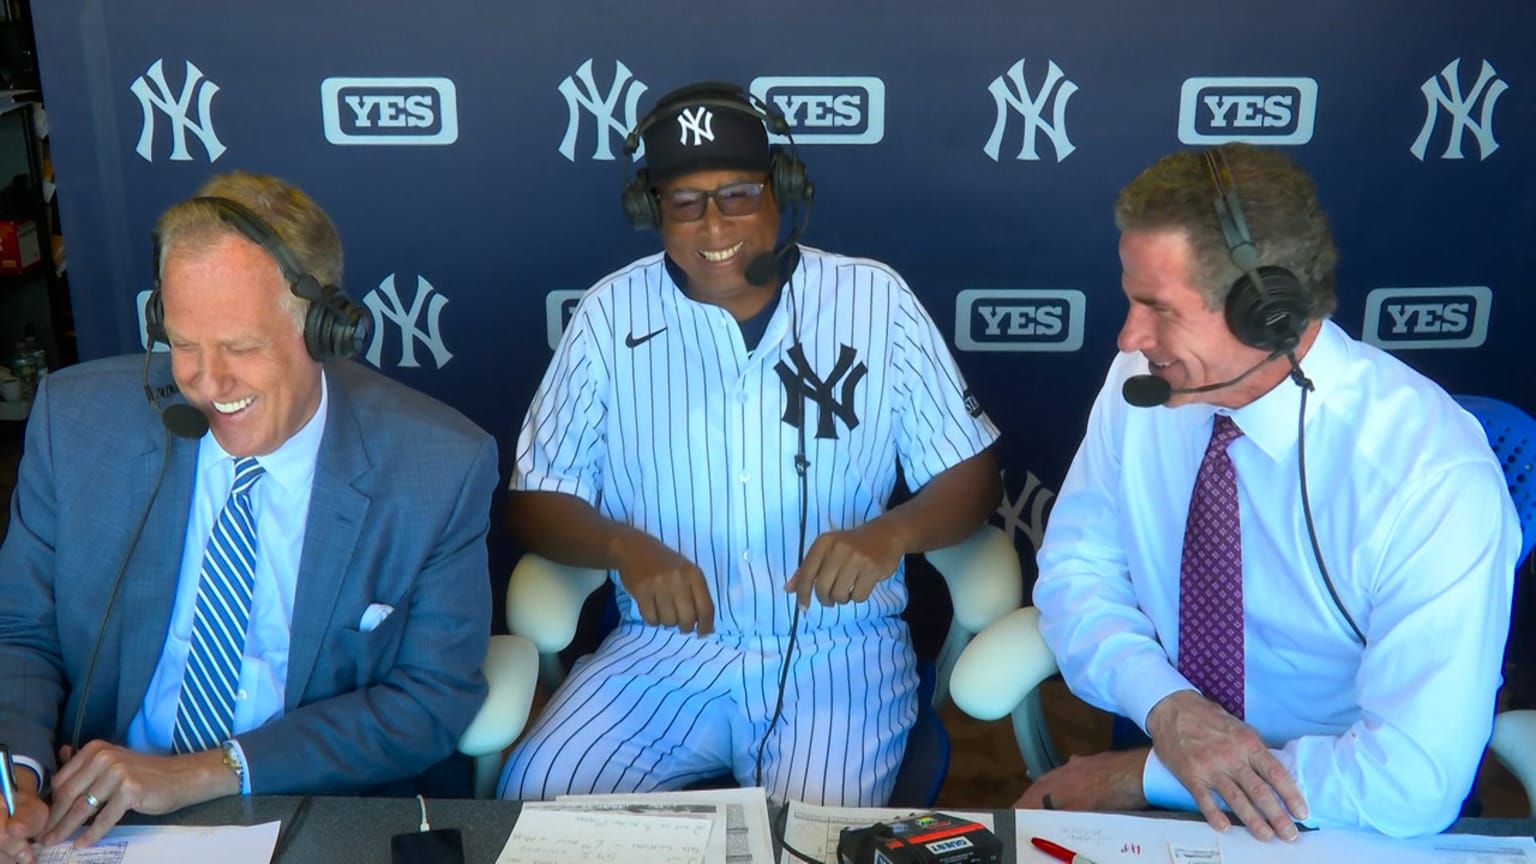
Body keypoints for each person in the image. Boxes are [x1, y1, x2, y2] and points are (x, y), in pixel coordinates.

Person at [497, 81, 1000, 807]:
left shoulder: (873, 299)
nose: (712, 225)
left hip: (839, 651)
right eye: (684, 202)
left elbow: (974, 475)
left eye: (737, 195)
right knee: (538, 797)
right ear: (651, 210)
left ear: (781, 193)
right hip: (662, 652)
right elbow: (534, 501)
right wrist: (622, 549)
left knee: (808, 838)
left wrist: (896, 531)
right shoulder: (611, 313)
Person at [1022, 142, 1519, 839]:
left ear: (1267, 312)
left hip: (1344, 814)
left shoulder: (1427, 477)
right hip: (1163, 762)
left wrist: (1135, 777)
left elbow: (1412, 783)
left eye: (1157, 308)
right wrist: (1168, 708)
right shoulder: (1140, 385)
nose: (1130, 335)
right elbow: (1078, 571)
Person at [0, 172, 497, 860]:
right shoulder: (74, 422)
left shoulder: (437, 466)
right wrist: (17, 779)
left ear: (323, 330)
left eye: (240, 347)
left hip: (305, 809)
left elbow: (431, 697)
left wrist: (202, 773)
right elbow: (21, 632)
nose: (207, 383)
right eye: (183, 344)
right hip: (93, 820)